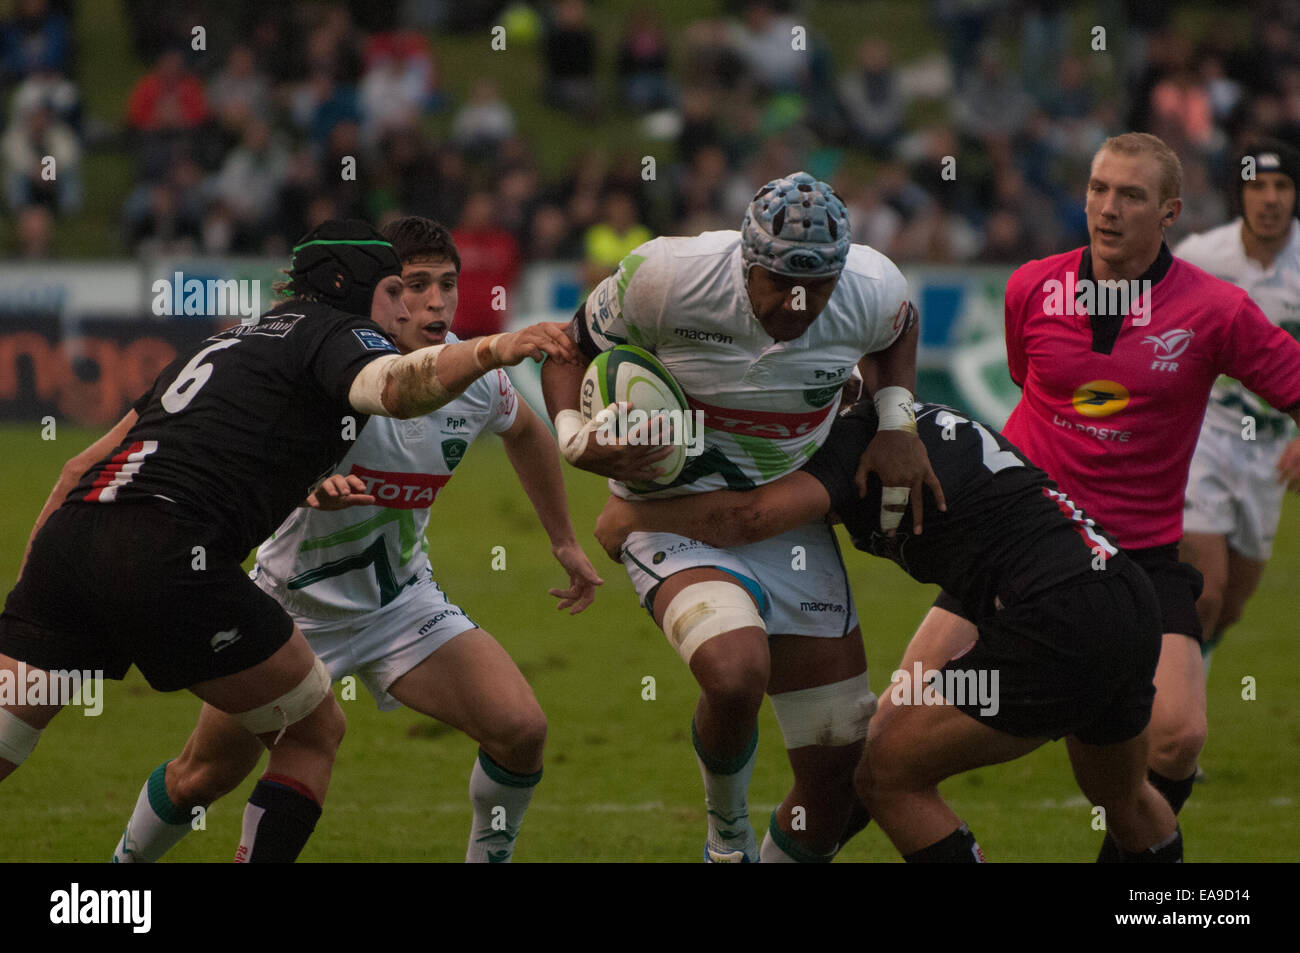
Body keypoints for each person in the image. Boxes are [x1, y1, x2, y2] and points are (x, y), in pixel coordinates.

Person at [0, 219, 577, 863]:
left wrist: (563, 541)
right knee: (219, 769)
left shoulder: (237, 343)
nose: (430, 302)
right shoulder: (347, 344)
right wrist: (496, 348)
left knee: (520, 728)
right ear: (356, 288)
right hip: (281, 605)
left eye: (447, 285)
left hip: (395, 605)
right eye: (405, 287)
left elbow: (87, 466)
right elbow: (391, 391)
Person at [542, 171, 941, 862]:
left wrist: (897, 422)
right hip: (665, 511)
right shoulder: (664, 275)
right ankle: (726, 838)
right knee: (734, 671)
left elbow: (898, 330)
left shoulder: (871, 287)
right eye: (783, 280)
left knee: (837, 769)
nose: (801, 301)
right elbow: (568, 347)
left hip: (785, 518)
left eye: (819, 286)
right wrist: (576, 437)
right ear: (746, 261)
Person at [594, 399, 1183, 862]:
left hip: (1056, 616)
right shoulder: (900, 418)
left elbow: (750, 517)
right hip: (1119, 591)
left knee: (886, 774)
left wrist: (635, 517)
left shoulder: (851, 437)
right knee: (1124, 799)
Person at [935, 133, 1300, 860]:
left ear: (1169, 212)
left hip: (1137, 553)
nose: (1108, 208)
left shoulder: (1213, 309)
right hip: (1022, 535)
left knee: (1179, 734)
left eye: (1130, 195)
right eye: (1099, 188)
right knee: (888, 730)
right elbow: (1025, 377)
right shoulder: (1031, 286)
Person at [1175, 140, 1300, 672]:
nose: (1270, 199)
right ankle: (1169, 741)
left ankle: (1177, 714)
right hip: (1204, 436)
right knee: (1204, 590)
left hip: (1269, 450)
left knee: (1229, 608)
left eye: (1282, 186)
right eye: (1257, 186)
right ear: (1239, 195)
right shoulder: (1201, 257)